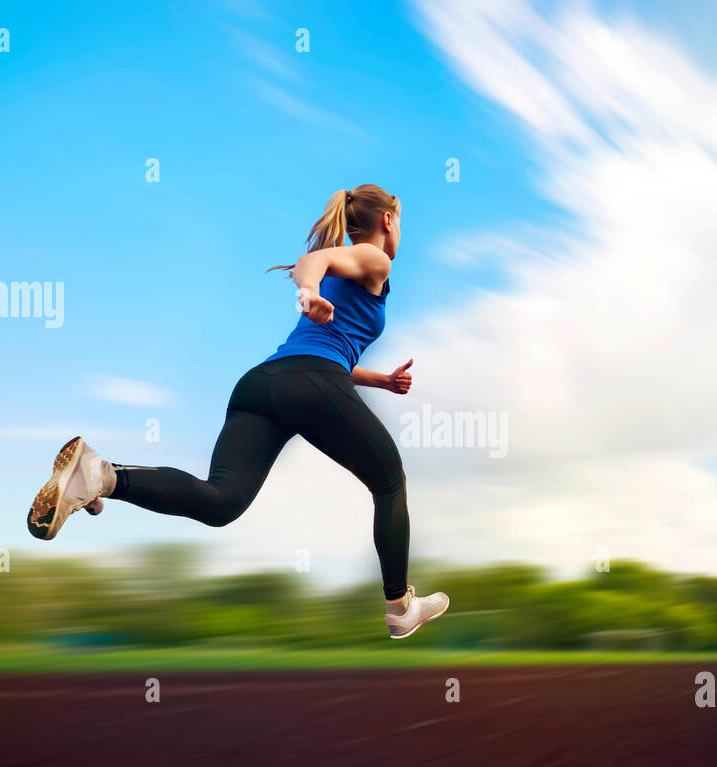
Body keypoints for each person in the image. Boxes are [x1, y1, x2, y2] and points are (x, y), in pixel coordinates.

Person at [25, 184, 449, 639]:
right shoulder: (374, 259)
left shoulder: (351, 274)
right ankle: (401, 605)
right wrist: (307, 290)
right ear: (388, 221)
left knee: (220, 501)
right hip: (308, 382)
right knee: (389, 482)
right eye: (400, 222)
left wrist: (381, 380)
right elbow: (313, 263)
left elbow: (331, 353)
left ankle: (101, 476)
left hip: (263, 386)